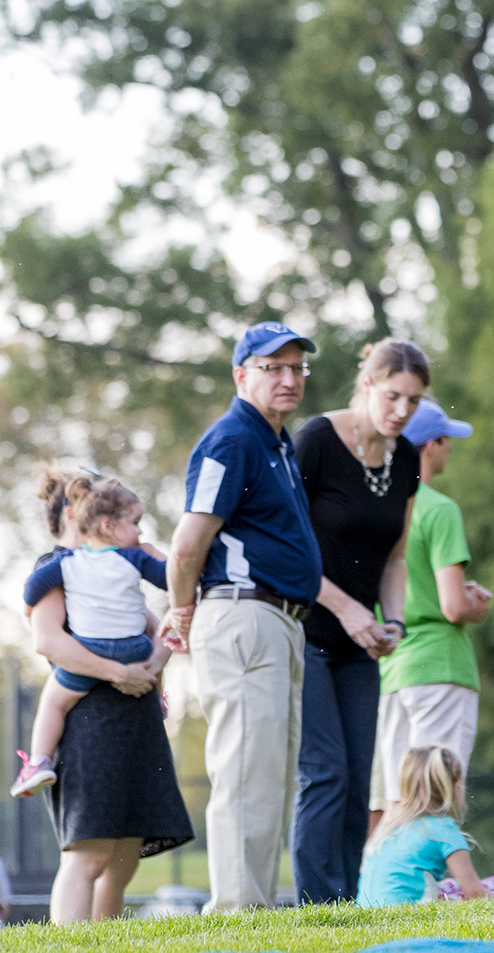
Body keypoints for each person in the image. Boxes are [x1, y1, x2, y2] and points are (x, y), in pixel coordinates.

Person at [163, 321, 326, 913]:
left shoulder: (275, 442)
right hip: (242, 615)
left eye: (296, 367)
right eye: (272, 367)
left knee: (271, 775)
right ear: (241, 375)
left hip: (278, 621)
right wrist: (180, 609)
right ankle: (235, 912)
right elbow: (187, 545)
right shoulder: (231, 440)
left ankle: (252, 906)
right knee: (245, 773)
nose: (288, 378)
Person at [19, 477, 193, 923]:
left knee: (123, 860)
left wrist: (151, 666)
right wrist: (120, 672)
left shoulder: (122, 565)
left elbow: (157, 625)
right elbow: (48, 641)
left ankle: (106, 942)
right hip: (90, 723)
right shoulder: (59, 568)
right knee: (89, 854)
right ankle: (70, 947)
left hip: (137, 717)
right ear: (76, 514)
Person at [294, 339, 427, 903]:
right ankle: (314, 906)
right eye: (393, 396)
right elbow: (288, 549)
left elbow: (395, 555)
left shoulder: (408, 458)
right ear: (367, 384)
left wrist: (391, 620)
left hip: (361, 644)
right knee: (324, 772)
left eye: (414, 401)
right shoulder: (316, 442)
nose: (402, 410)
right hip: (302, 631)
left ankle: (347, 903)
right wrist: (348, 609)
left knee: (356, 779)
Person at [12, 475, 171, 797]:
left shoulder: (66, 563)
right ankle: (159, 698)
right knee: (148, 641)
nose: (140, 532)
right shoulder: (134, 558)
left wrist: (28, 605)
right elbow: (170, 581)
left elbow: (34, 585)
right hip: (135, 648)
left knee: (53, 701)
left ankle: (38, 761)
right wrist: (157, 555)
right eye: (135, 523)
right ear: (108, 526)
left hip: (90, 648)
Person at [378, 400, 491, 833]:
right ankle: (442, 875)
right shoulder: (438, 508)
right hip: (440, 667)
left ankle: (386, 878)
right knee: (438, 794)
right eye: (445, 440)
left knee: (398, 798)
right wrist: (476, 603)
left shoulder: (384, 506)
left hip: (393, 669)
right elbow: (453, 606)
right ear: (428, 446)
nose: (449, 448)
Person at [360, 746, 494, 906]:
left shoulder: (389, 829)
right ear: (455, 786)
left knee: (448, 886)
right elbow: (475, 893)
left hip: (369, 910)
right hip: (407, 913)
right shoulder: (442, 828)